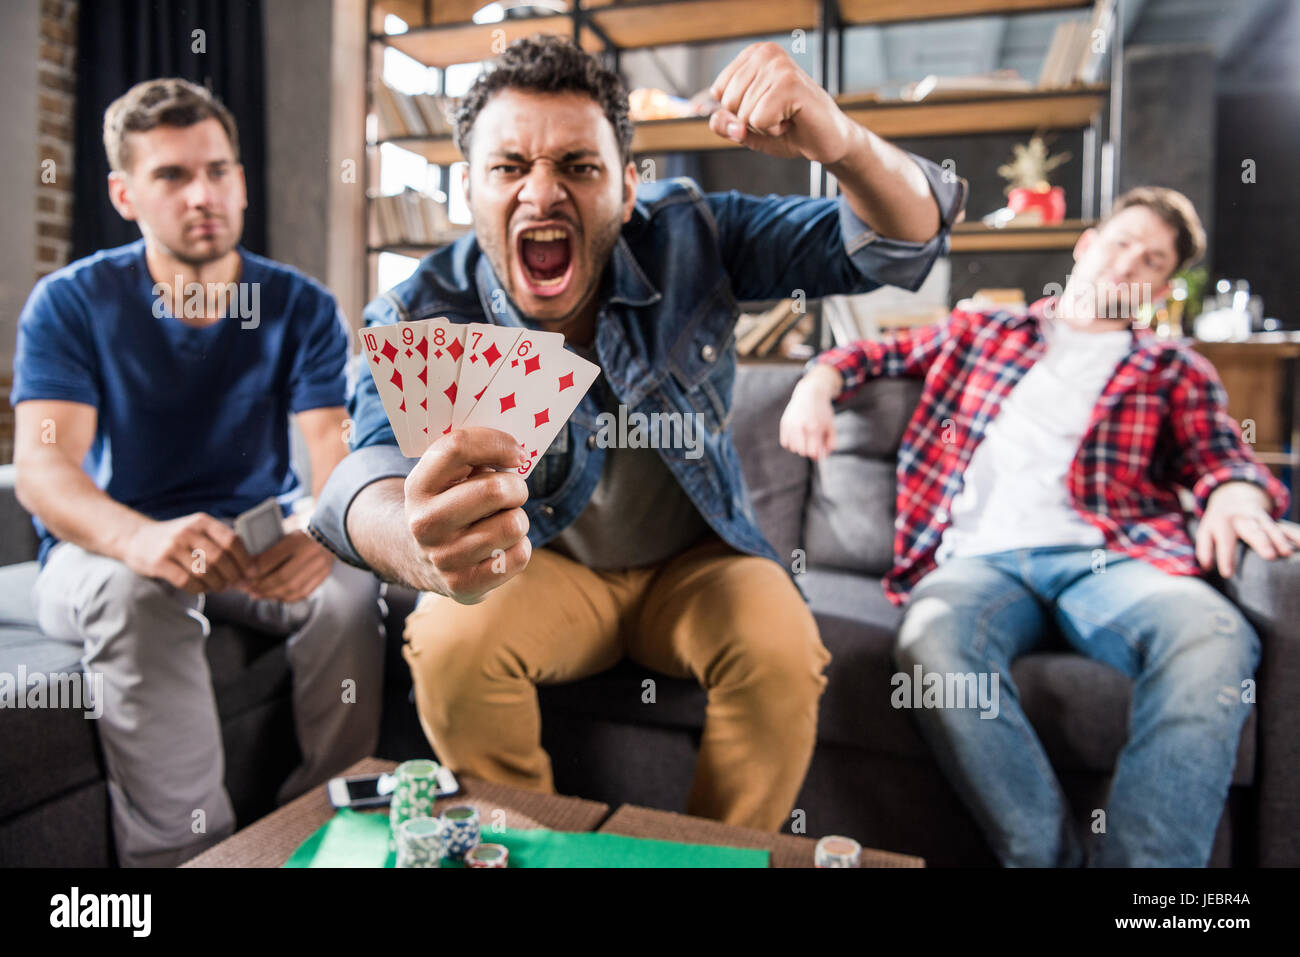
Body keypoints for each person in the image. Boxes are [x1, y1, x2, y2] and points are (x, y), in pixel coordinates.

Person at [307, 35, 966, 831]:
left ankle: (713, 856)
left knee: (782, 643)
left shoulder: (695, 236)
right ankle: (538, 849)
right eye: (509, 168)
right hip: (542, 573)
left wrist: (841, 140)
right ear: (470, 192)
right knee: (447, 633)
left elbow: (901, 244)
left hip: (697, 568)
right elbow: (358, 473)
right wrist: (409, 542)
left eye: (579, 167)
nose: (542, 194)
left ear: (627, 189)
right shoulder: (427, 307)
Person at [780, 186, 1297, 865]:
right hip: (976, 562)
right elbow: (867, 357)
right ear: (1086, 246)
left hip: (1109, 559)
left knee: (1213, 632)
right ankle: (1042, 856)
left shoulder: (1171, 368)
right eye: (1120, 242)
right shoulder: (986, 329)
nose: (1126, 264)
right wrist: (814, 386)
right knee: (932, 644)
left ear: (1160, 287)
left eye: (1150, 260)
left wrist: (1235, 493)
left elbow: (1220, 454)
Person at [10, 78, 385, 867]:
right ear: (123, 193)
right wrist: (141, 541)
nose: (203, 194)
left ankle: (327, 825)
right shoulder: (71, 303)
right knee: (132, 590)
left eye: (218, 170)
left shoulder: (301, 306)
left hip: (249, 540)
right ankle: (192, 859)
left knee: (351, 582)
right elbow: (44, 467)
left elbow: (332, 450)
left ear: (241, 182)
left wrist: (327, 528)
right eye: (172, 176)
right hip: (110, 547)